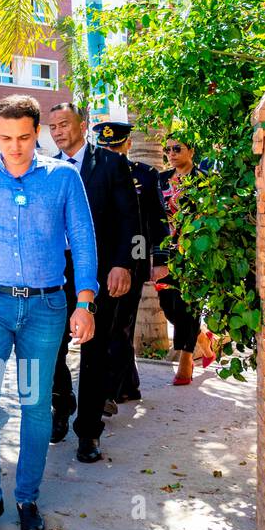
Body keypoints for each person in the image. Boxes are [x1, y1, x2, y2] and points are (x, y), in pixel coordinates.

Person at [0, 95, 98, 530]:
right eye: (4, 138)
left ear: (38, 133)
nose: (13, 147)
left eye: (22, 137)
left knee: (35, 405)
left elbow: (84, 239)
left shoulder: (63, 178)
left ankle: (27, 497)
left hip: (44, 309)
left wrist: (85, 302)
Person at [47, 103, 139, 463]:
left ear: (82, 126)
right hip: (54, 271)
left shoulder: (111, 164)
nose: (57, 131)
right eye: (52, 126)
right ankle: (60, 405)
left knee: (95, 349)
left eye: (64, 124)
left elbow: (129, 221)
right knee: (51, 344)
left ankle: (88, 432)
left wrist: (123, 264)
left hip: (99, 271)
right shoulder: (48, 169)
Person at [91, 121, 164, 406]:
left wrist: (158, 259)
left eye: (116, 146)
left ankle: (109, 391)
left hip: (130, 260)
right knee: (102, 326)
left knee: (120, 326)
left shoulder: (144, 176)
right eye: (105, 146)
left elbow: (157, 221)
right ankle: (128, 384)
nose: (110, 151)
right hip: (95, 263)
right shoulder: (87, 173)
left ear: (128, 145)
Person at [155, 134, 207, 386]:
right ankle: (202, 338)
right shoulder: (160, 180)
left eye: (177, 148)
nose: (172, 153)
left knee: (189, 304)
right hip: (166, 254)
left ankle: (186, 358)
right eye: (168, 149)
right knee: (169, 306)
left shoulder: (205, 182)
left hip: (195, 255)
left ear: (191, 151)